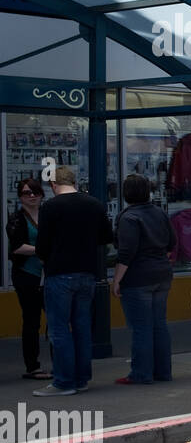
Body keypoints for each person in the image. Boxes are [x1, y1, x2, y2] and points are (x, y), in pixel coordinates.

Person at [34, 166, 112, 396]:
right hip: (87, 273)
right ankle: (81, 378)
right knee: (81, 327)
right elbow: (106, 237)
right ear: (74, 182)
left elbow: (42, 247)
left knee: (59, 329)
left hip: (59, 273)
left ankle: (63, 382)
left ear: (53, 185)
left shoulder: (50, 207)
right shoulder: (94, 204)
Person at [112, 174, 177, 385]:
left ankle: (141, 373)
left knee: (141, 327)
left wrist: (117, 280)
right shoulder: (159, 212)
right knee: (159, 325)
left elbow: (126, 253)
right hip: (162, 274)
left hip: (138, 278)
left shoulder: (128, 218)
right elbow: (172, 242)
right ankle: (163, 372)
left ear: (126, 193)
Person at [6, 177, 50, 379]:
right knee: (32, 321)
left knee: (55, 319)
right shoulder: (17, 219)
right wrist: (42, 251)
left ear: (41, 194)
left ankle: (59, 363)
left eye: (35, 192)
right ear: (20, 197)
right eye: (26, 193)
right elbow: (17, 247)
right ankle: (33, 366)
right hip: (27, 275)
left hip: (50, 276)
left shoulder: (49, 216)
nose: (31, 196)